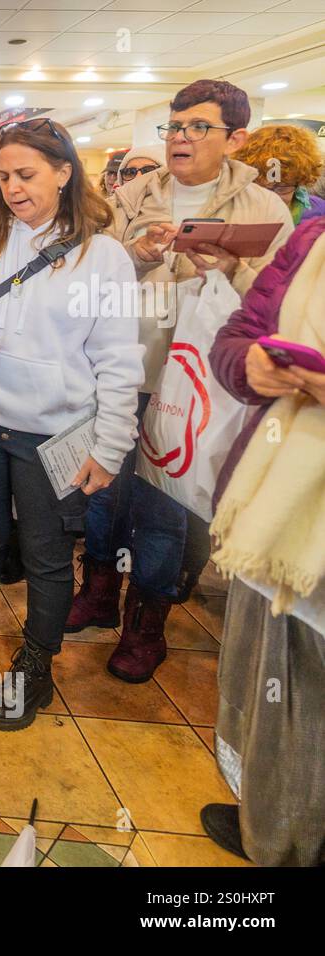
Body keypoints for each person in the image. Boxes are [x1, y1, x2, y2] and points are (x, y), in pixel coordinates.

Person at [70, 79, 294, 683]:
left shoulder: (264, 209)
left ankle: (147, 624)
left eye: (198, 127)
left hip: (198, 385)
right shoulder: (128, 197)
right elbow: (86, 283)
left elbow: (280, 309)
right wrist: (137, 257)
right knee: (103, 489)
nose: (181, 139)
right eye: (174, 127)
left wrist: (232, 271)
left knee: (166, 504)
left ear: (235, 137)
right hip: (125, 370)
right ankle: (95, 591)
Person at [0, 118, 144, 730]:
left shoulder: (102, 258)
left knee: (47, 553)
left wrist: (109, 448)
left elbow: (119, 360)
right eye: (3, 177)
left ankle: (36, 663)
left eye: (25, 175)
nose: (12, 189)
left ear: (64, 172)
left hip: (53, 430)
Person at [201, 216, 325, 866]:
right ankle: (277, 824)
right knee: (281, 676)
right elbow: (240, 335)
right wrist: (249, 364)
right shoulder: (313, 238)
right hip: (272, 507)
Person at [233, 123, 325, 226]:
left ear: (299, 182)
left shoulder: (319, 213)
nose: (271, 197)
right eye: (260, 187)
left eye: (281, 189)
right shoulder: (233, 208)